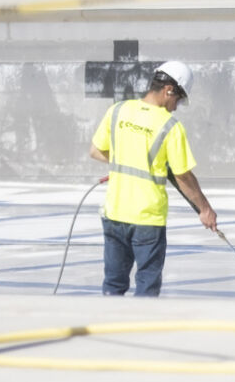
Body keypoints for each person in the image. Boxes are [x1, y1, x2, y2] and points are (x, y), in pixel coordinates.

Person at [88, 60, 218, 296]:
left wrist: (127, 160)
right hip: (148, 220)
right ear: (169, 89)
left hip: (114, 215)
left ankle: (110, 326)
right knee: (147, 289)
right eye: (177, 99)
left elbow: (96, 151)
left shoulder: (118, 111)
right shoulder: (169, 126)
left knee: (113, 286)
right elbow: (183, 176)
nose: (176, 107)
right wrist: (205, 209)